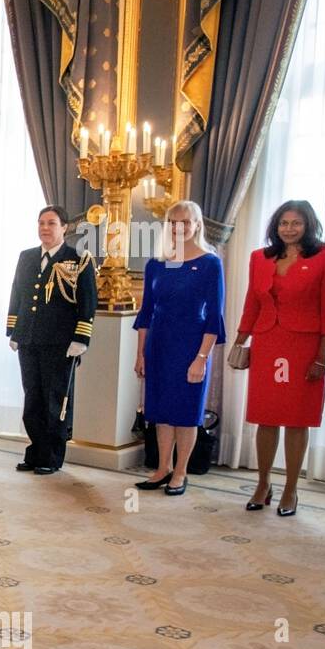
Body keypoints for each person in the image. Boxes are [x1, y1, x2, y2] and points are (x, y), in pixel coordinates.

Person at [231, 200, 325, 516]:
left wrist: (322, 358)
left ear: (309, 225)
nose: (289, 229)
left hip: (303, 347)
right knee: (266, 416)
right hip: (267, 342)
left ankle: (291, 489)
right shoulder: (260, 259)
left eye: (296, 223)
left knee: (297, 419)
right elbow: (252, 303)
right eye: (283, 223)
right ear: (276, 227)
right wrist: (240, 341)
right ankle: (263, 484)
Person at [132, 200, 226, 496]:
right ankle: (162, 468)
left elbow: (214, 316)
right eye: (173, 222)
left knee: (185, 412)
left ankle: (181, 472)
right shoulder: (157, 263)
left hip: (191, 346)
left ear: (197, 225)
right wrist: (140, 354)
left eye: (185, 222)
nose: (179, 227)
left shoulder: (210, 263)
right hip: (158, 345)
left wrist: (202, 358)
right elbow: (146, 312)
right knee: (160, 411)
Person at [6, 205, 98, 474]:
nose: (45, 228)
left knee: (55, 402)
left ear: (64, 228)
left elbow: (87, 302)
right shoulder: (27, 257)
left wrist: (81, 338)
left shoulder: (78, 258)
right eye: (41, 223)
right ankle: (35, 452)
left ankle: (51, 458)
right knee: (32, 399)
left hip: (61, 344)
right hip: (29, 339)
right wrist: (14, 329)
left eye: (51, 223)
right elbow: (17, 295)